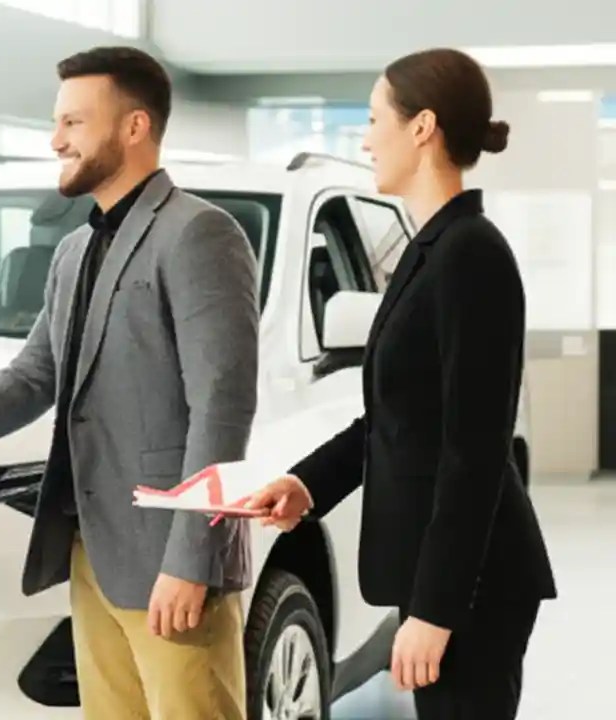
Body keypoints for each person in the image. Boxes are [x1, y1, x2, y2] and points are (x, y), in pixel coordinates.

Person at [0, 46, 259, 719]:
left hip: (171, 556)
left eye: (75, 123)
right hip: (94, 547)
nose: (56, 140)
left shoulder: (199, 233)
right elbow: (35, 376)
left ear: (133, 127)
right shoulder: (76, 249)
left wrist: (194, 558)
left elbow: (222, 406)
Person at [244, 47, 557, 720]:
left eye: (373, 116)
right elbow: (396, 419)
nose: (364, 137)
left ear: (423, 127)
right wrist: (306, 485)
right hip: (444, 581)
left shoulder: (471, 255)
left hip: (473, 590)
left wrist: (435, 612)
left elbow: (472, 452)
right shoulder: (433, 249)